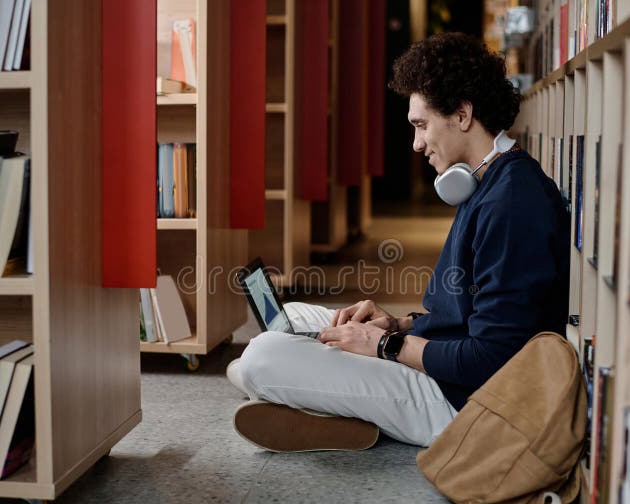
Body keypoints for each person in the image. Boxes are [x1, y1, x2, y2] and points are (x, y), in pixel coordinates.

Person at [228, 32, 570, 452]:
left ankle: (313, 401)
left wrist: (385, 346)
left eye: (422, 125)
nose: (417, 143)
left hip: (460, 402)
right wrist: (398, 324)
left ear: (462, 114)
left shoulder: (513, 202)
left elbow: (492, 358)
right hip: (439, 367)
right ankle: (331, 411)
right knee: (295, 319)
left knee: (262, 357)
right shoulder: (484, 182)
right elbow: (467, 314)